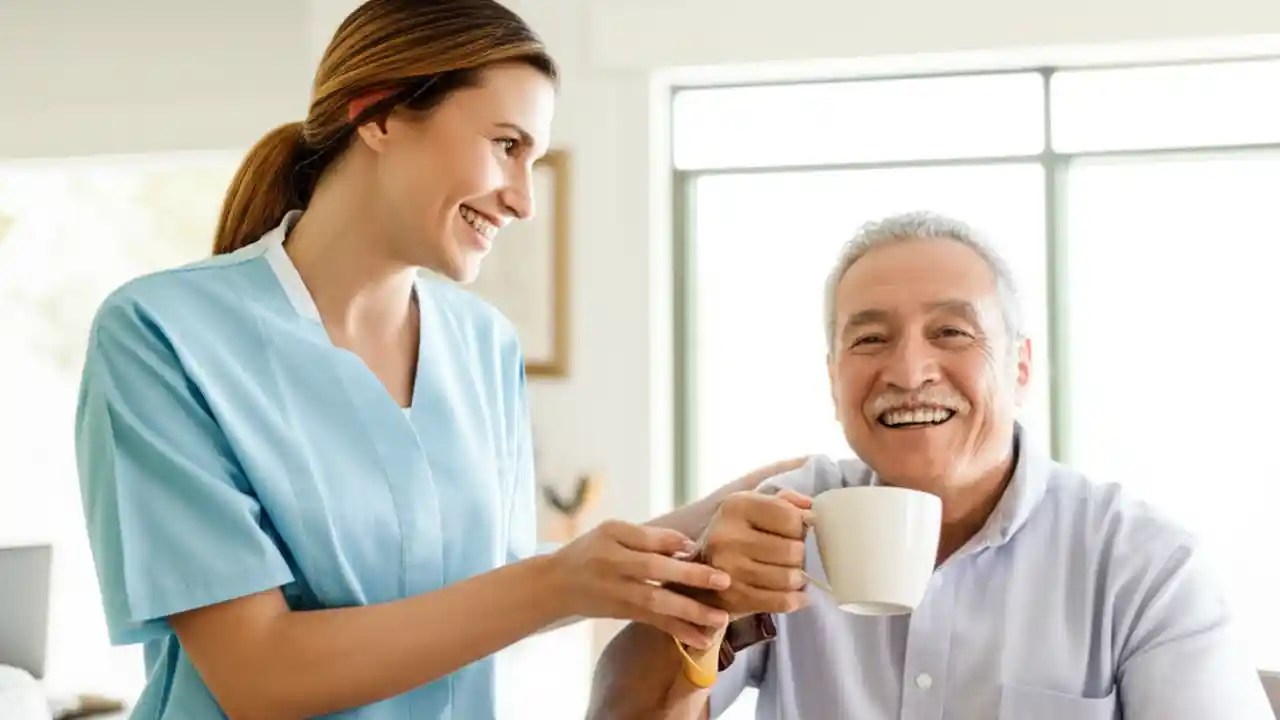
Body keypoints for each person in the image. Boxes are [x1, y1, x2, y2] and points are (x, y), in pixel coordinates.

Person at [73, 1, 802, 717]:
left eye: (534, 158)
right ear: (381, 113)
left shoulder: (483, 345)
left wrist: (723, 511)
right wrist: (559, 581)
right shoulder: (161, 334)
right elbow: (257, 674)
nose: (524, 201)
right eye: (506, 146)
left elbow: (494, 597)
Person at [589, 211, 1274, 719]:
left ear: (1021, 367)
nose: (910, 371)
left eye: (951, 332)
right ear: (833, 381)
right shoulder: (781, 522)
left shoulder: (1141, 560)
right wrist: (704, 605)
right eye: (870, 338)